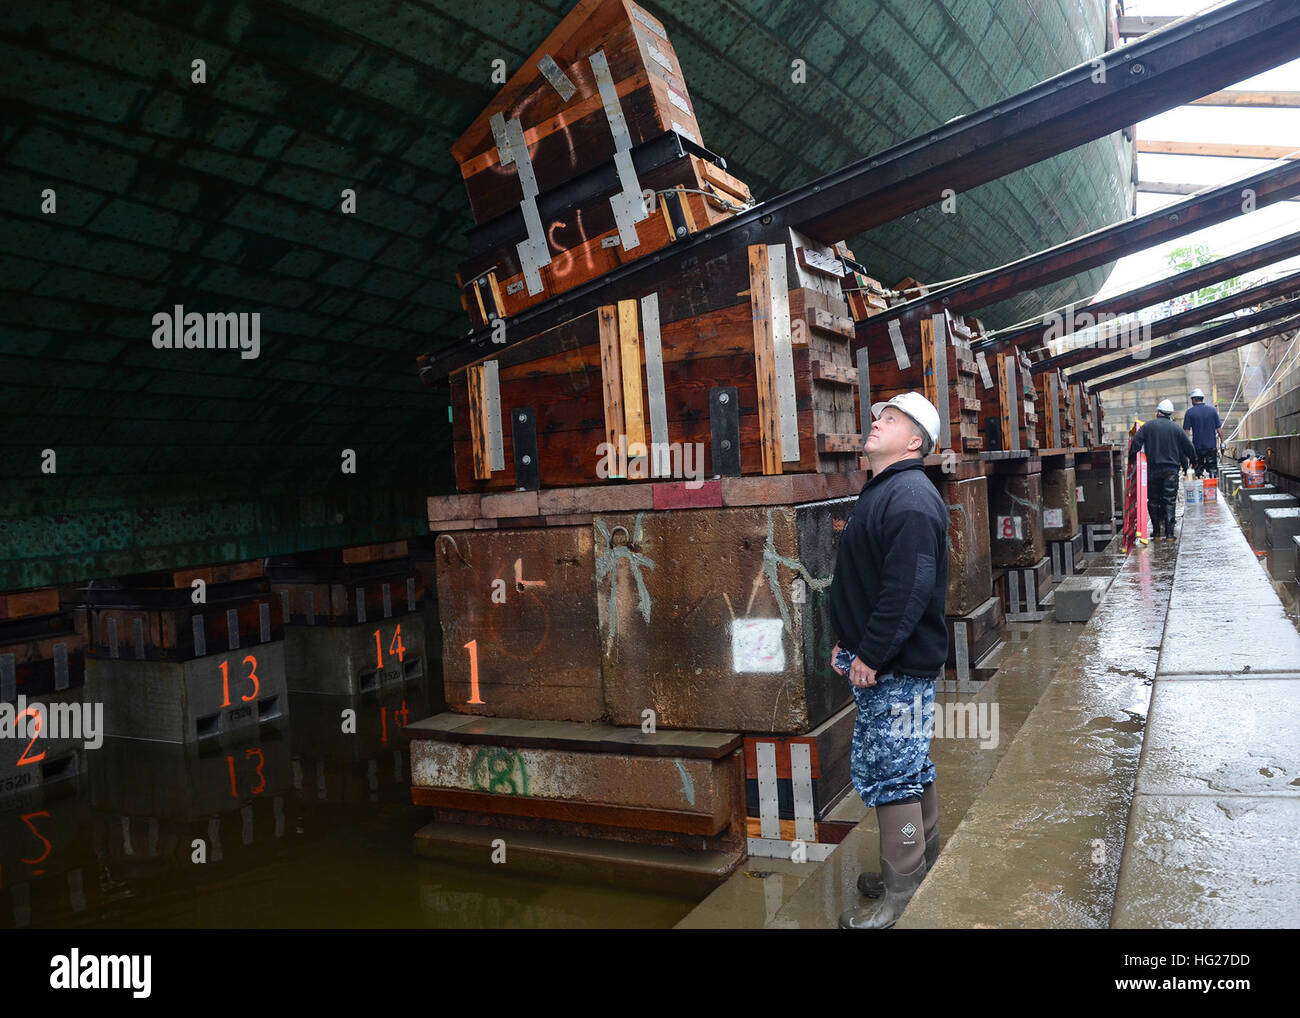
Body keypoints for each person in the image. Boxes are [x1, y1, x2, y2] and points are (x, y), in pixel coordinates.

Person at [828, 392, 949, 930]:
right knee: (910, 765)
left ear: (915, 441)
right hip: (886, 662)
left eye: (891, 419)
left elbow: (908, 589)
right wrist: (847, 641)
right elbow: (871, 580)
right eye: (878, 416)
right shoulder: (887, 491)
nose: (876, 423)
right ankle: (917, 865)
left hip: (895, 669)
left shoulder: (911, 498)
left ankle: (901, 892)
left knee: (892, 774)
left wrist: (871, 653)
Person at [1128, 398, 1195, 539]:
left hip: (1152, 470)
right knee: (1169, 500)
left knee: (1153, 500)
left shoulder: (1147, 427)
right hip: (1171, 471)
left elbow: (1136, 443)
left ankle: (1156, 531)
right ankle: (1170, 533)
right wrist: (1192, 462)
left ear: (1157, 412)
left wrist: (1132, 460)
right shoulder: (1176, 428)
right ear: (1170, 414)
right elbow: (1188, 447)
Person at [1183, 388, 1222, 479]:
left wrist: (1186, 447)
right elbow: (1219, 429)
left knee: (1198, 469)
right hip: (1211, 446)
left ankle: (1199, 484)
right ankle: (1212, 488)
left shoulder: (1189, 413)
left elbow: (1186, 432)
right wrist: (1222, 442)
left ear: (1194, 399)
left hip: (1197, 447)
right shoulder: (1212, 411)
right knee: (1212, 469)